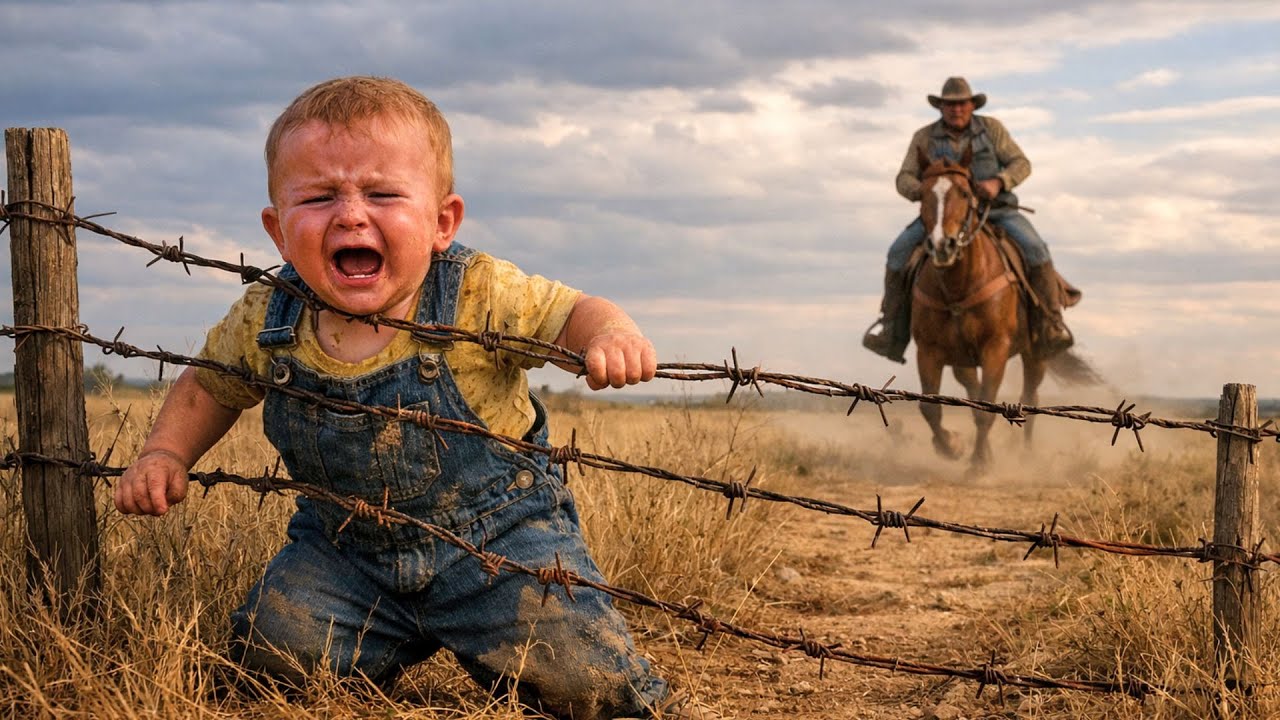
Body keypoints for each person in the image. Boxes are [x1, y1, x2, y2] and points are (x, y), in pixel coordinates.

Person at [113, 76, 715, 720]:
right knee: (266, 659)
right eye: (318, 197)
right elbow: (210, 385)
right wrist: (165, 451)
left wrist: (611, 333)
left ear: (441, 222)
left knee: (587, 681)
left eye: (382, 194)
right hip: (343, 551)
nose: (350, 214)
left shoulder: (479, 293)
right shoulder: (268, 317)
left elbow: (569, 312)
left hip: (502, 546)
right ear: (278, 232)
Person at [862, 76, 1074, 363]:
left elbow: (1021, 163)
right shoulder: (924, 137)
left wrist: (999, 181)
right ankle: (890, 328)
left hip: (996, 211)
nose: (956, 109)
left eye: (962, 103)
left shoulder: (992, 129)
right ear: (940, 107)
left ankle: (1051, 324)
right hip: (943, 217)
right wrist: (921, 191)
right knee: (898, 253)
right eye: (950, 105)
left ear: (972, 105)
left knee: (1036, 249)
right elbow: (904, 177)